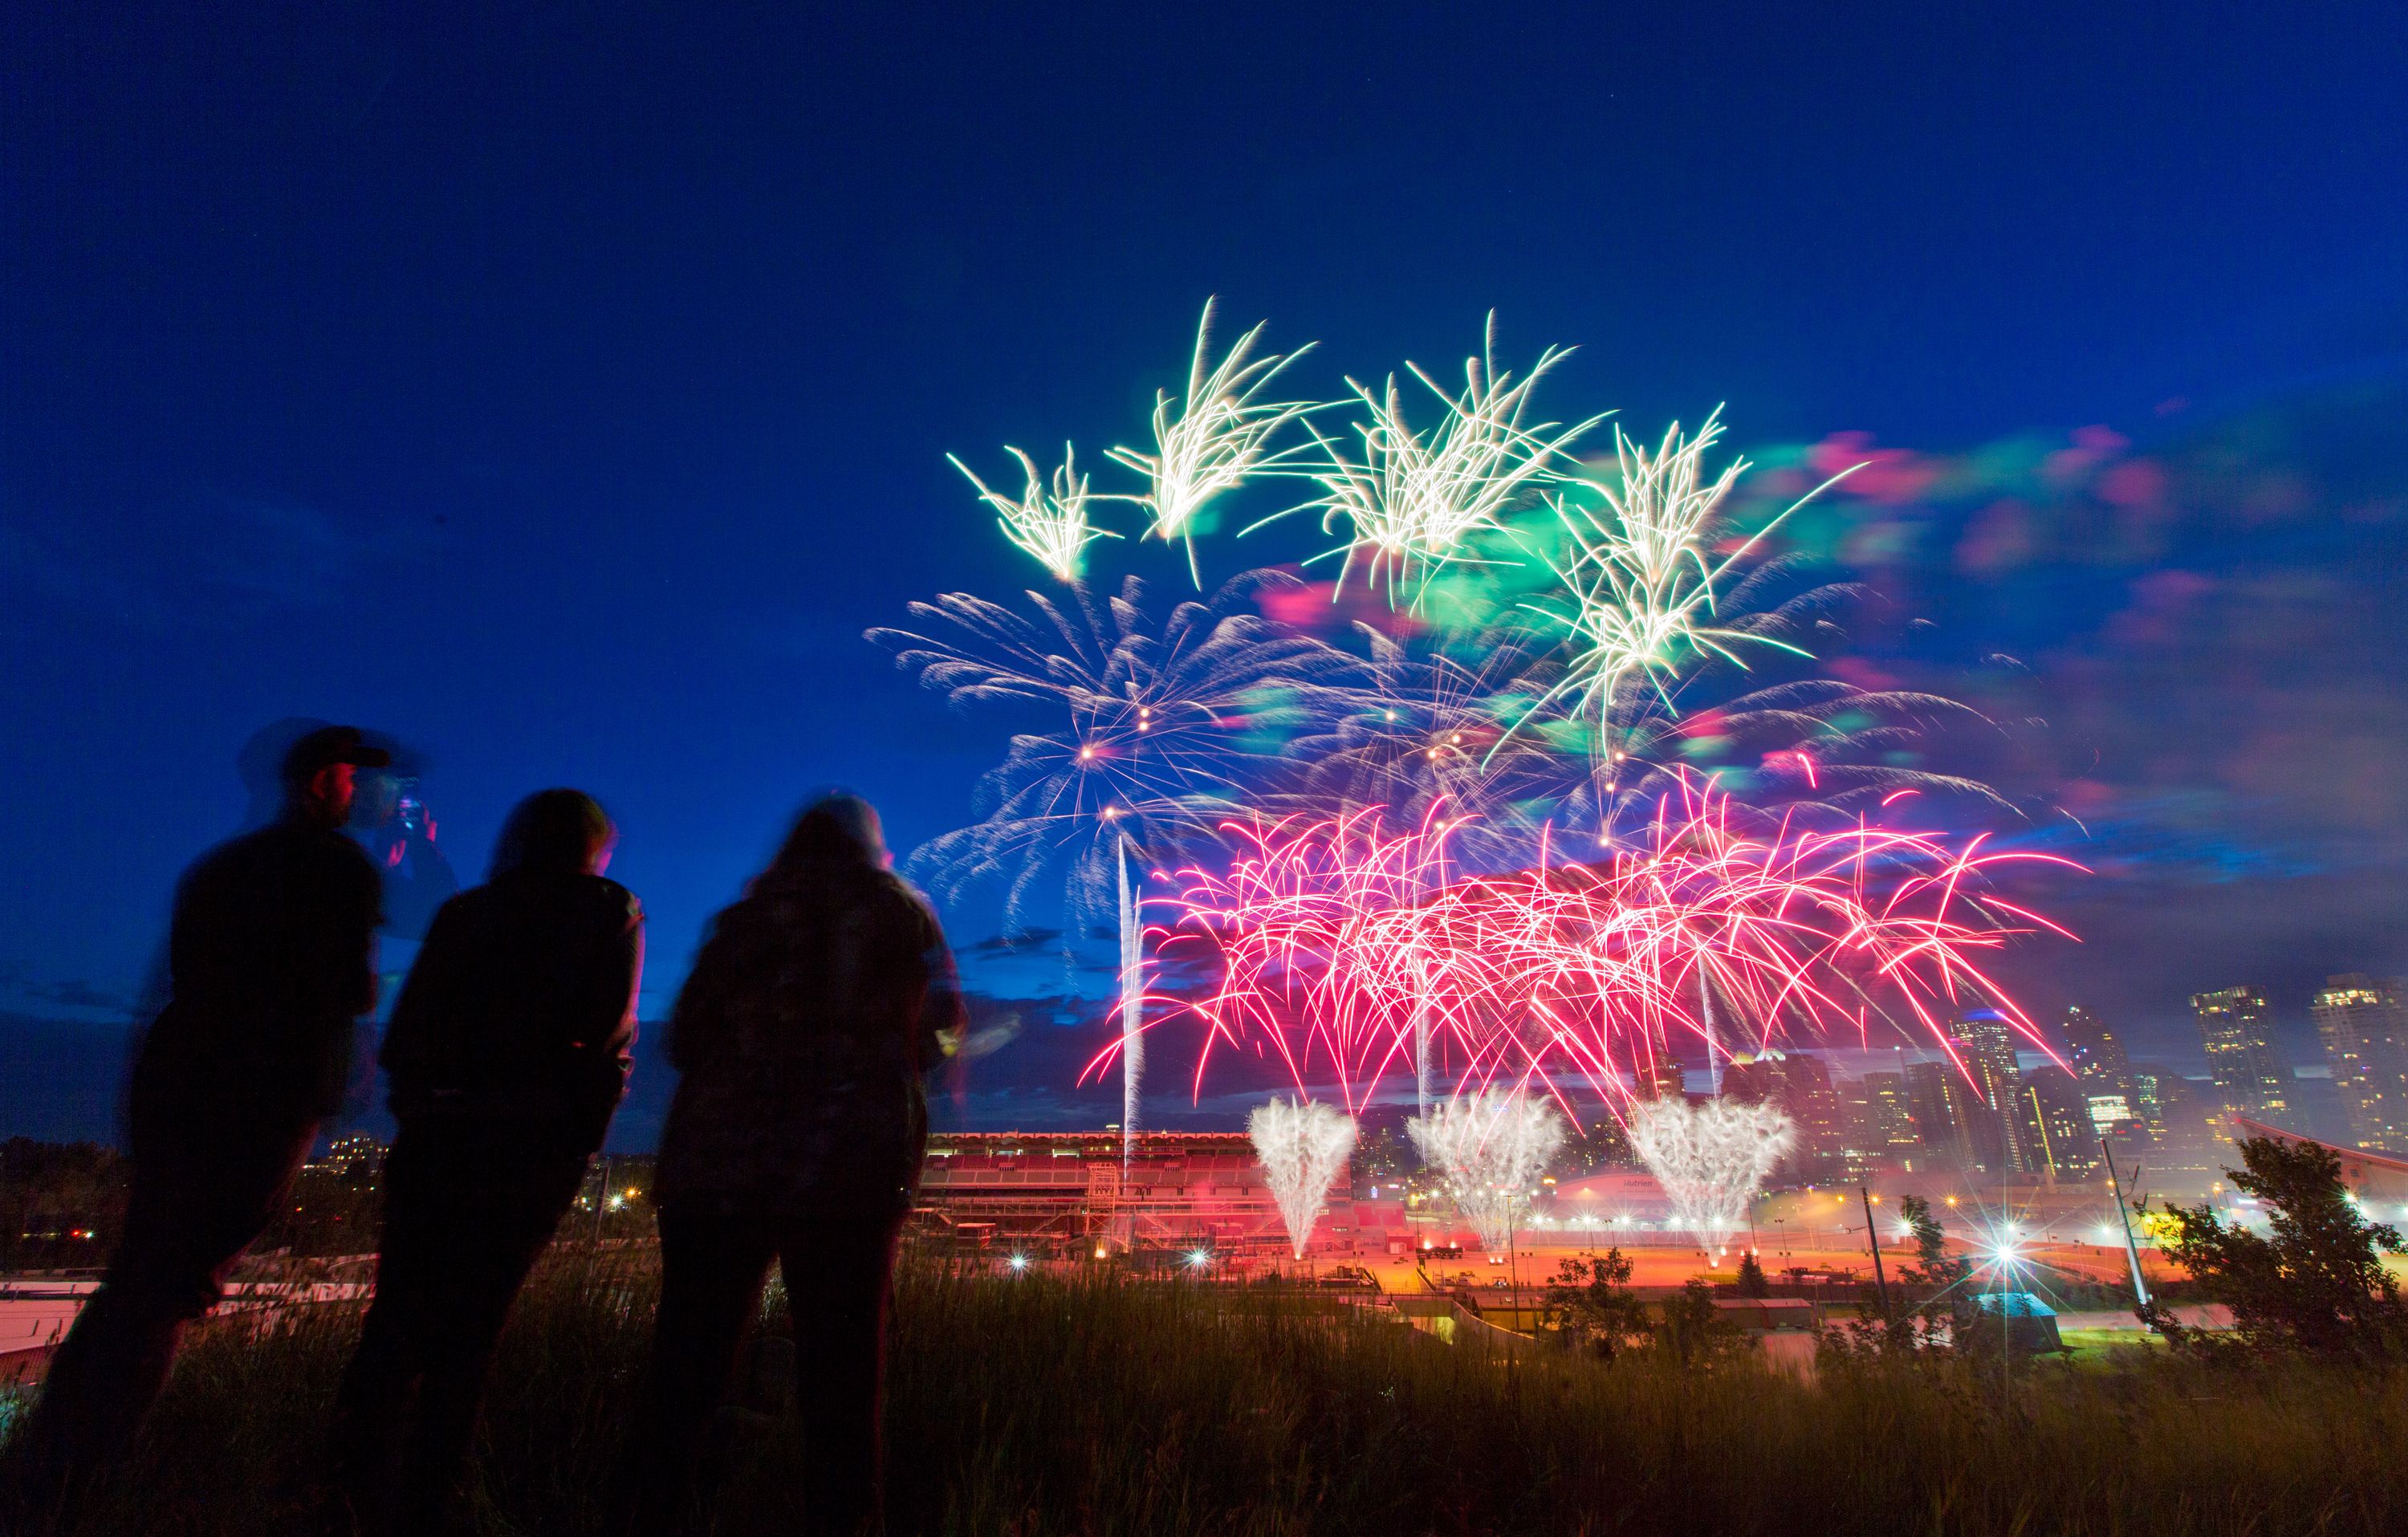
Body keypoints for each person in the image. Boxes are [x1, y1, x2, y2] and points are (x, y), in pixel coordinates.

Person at [4, 726, 389, 1512]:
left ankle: (60, 1453)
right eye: (356, 781)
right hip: (262, 1097)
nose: (368, 797)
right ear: (322, 782)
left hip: (179, 1081)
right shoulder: (336, 868)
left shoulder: (220, 869)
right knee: (176, 1284)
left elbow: (180, 979)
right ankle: (81, 1475)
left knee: (143, 1275)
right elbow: (350, 989)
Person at [620, 794, 962, 1537]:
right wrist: (889, 1073)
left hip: (718, 1168)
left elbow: (682, 1041)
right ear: (874, 849)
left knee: (687, 1366)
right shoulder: (901, 916)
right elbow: (942, 1031)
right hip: (848, 1167)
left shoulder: (744, 921)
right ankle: (844, 1520)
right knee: (842, 1378)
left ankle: (654, 1511)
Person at [330, 789, 643, 1535]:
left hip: (438, 1139)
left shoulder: (466, 913)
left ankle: (343, 1491)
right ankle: (428, 1501)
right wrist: (578, 1137)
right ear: (593, 844)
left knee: (396, 1318)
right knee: (471, 1332)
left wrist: (428, 1110)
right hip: (530, 1146)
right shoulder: (609, 909)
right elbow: (608, 1034)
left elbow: (404, 1039)